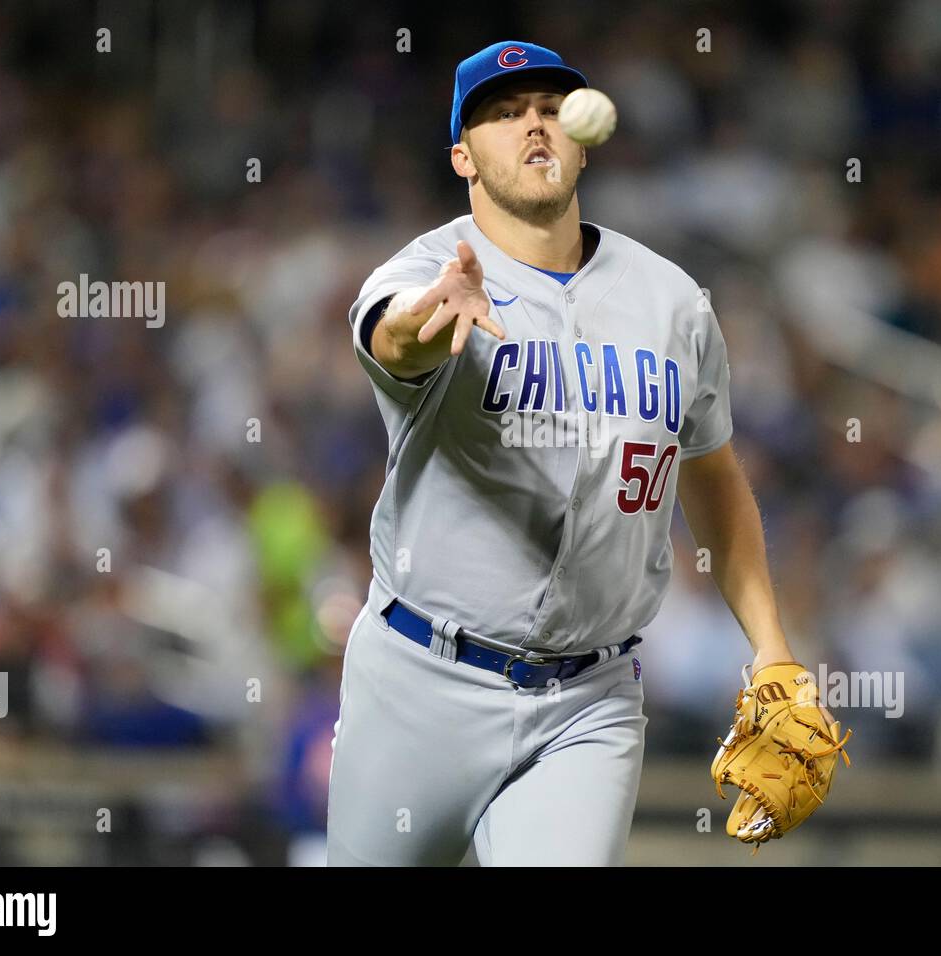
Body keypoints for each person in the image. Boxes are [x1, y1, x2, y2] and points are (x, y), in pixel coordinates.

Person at [328, 40, 806, 866]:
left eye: (551, 109)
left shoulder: (672, 303)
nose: (534, 126)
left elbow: (715, 482)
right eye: (504, 114)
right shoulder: (426, 270)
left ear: (583, 137)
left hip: (590, 700)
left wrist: (773, 648)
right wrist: (429, 314)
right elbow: (392, 338)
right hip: (418, 684)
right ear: (462, 156)